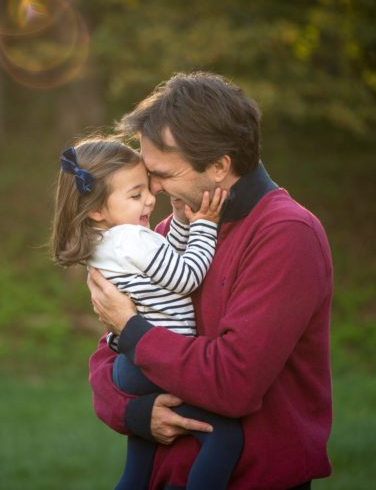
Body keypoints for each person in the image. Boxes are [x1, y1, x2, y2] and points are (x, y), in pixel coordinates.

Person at [87, 72, 333, 490]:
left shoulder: (286, 234)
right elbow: (106, 364)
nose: (154, 189)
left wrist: (132, 330)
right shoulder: (171, 229)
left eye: (162, 174)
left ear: (219, 166)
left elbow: (233, 382)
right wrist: (136, 415)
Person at [50, 138, 243, 490]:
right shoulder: (132, 239)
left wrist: (182, 221)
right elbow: (185, 277)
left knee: (140, 462)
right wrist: (205, 224)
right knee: (224, 436)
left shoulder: (105, 242)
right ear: (97, 209)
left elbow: (165, 260)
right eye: (136, 195)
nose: (150, 199)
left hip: (134, 360)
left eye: (147, 190)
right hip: (155, 362)